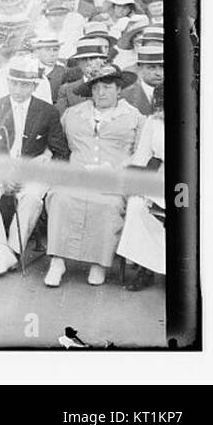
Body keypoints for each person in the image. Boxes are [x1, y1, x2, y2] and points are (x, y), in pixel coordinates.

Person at [44, 65, 145, 287]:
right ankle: (57, 261)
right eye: (96, 88)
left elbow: (141, 154)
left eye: (107, 87)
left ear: (119, 90)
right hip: (77, 175)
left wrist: (119, 168)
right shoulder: (73, 114)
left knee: (108, 204)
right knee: (60, 197)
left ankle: (99, 263)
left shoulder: (134, 117)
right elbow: (57, 144)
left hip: (114, 178)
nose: (101, 93)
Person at [0, 55, 69, 277]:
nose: (18, 89)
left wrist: (42, 160)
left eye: (24, 84)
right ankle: (2, 249)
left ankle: (11, 250)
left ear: (34, 85)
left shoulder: (47, 111)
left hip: (32, 171)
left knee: (32, 197)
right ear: (7, 82)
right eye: (14, 83)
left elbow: (61, 152)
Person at [117, 82, 164, 291]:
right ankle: (146, 268)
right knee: (136, 206)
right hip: (158, 175)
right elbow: (142, 155)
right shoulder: (154, 122)